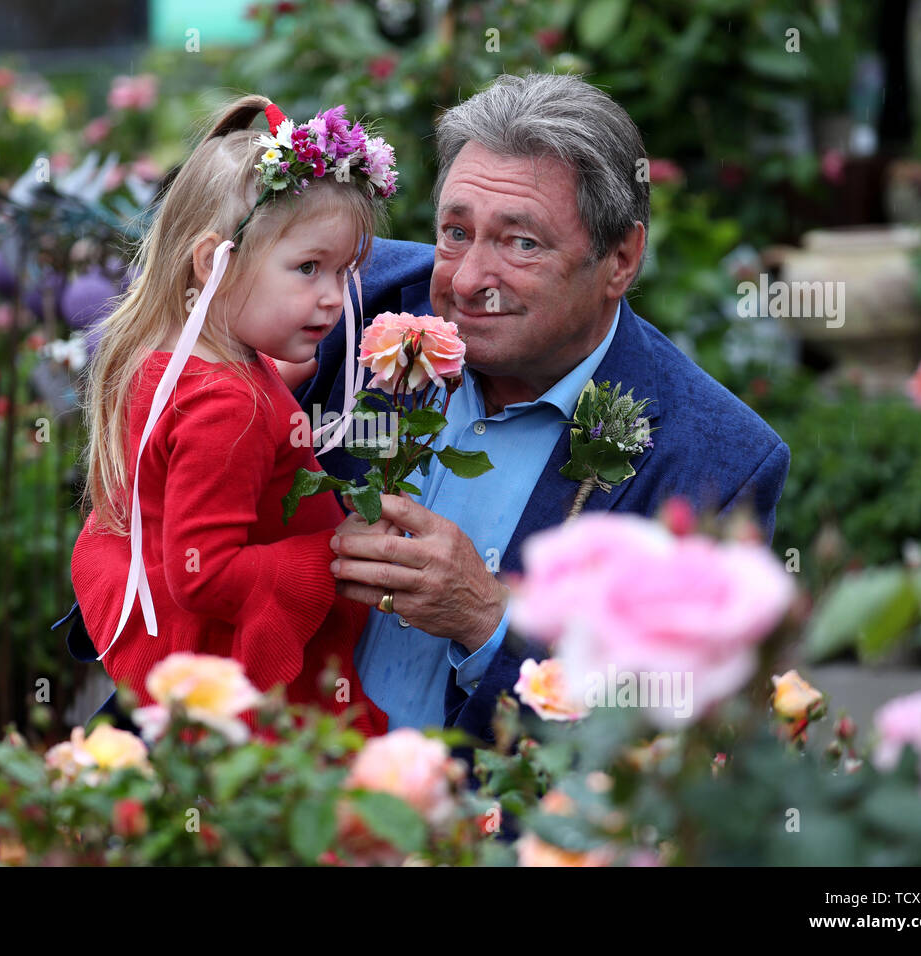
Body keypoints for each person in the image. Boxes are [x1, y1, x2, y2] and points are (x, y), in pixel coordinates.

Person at [293, 72, 791, 744]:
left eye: (520, 242)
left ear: (620, 260)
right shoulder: (341, 296)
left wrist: (490, 621)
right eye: (455, 232)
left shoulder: (713, 462)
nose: (468, 281)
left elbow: (665, 738)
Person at [60, 94, 402, 738]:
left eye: (345, 271)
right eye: (308, 269)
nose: (335, 297)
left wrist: (284, 425)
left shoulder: (191, 359)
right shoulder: (228, 405)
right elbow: (205, 572)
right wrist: (330, 556)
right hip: (253, 680)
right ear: (212, 262)